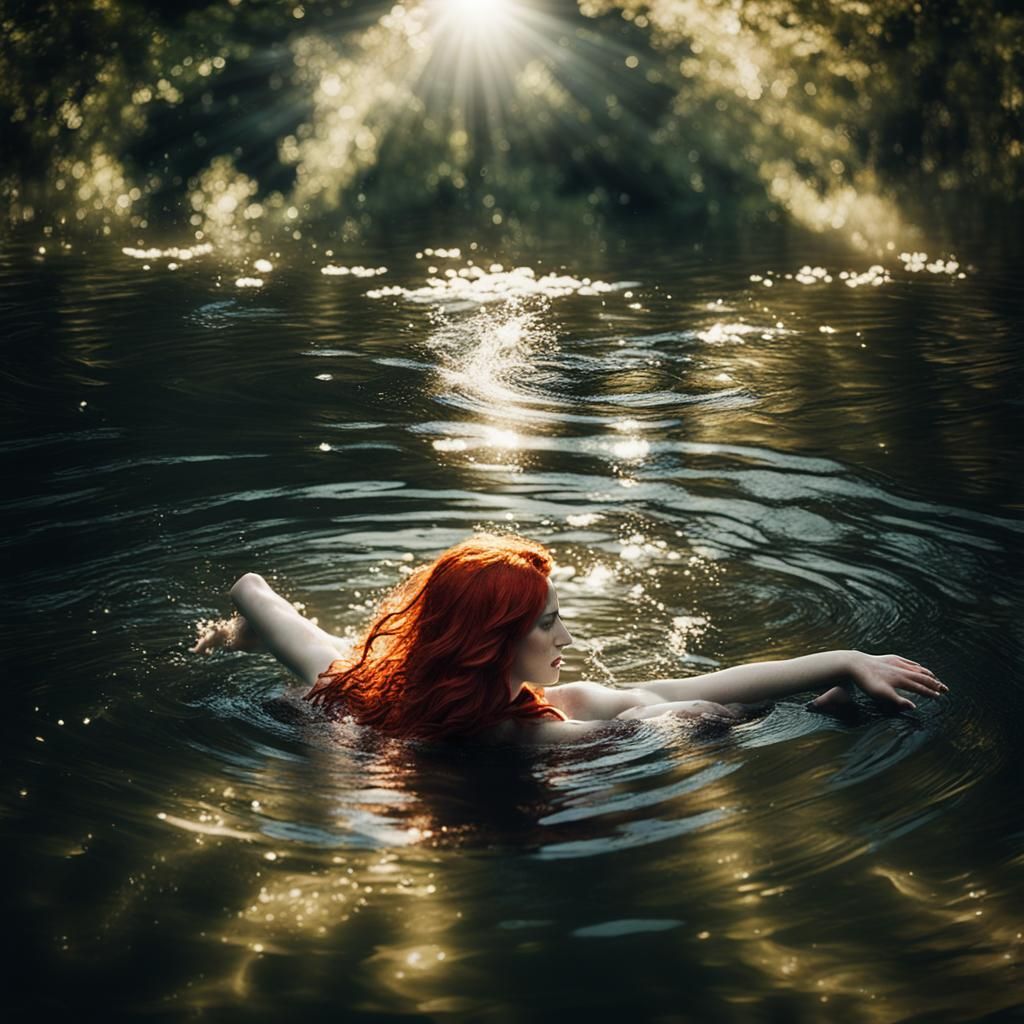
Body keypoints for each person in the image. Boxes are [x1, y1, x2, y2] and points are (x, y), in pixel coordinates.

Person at [190, 533, 948, 744]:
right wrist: (813, 708)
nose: (567, 632)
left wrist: (847, 657)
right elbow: (691, 706)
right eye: (548, 620)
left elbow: (251, 588)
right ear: (493, 643)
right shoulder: (548, 728)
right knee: (699, 722)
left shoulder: (366, 677)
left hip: (390, 720)